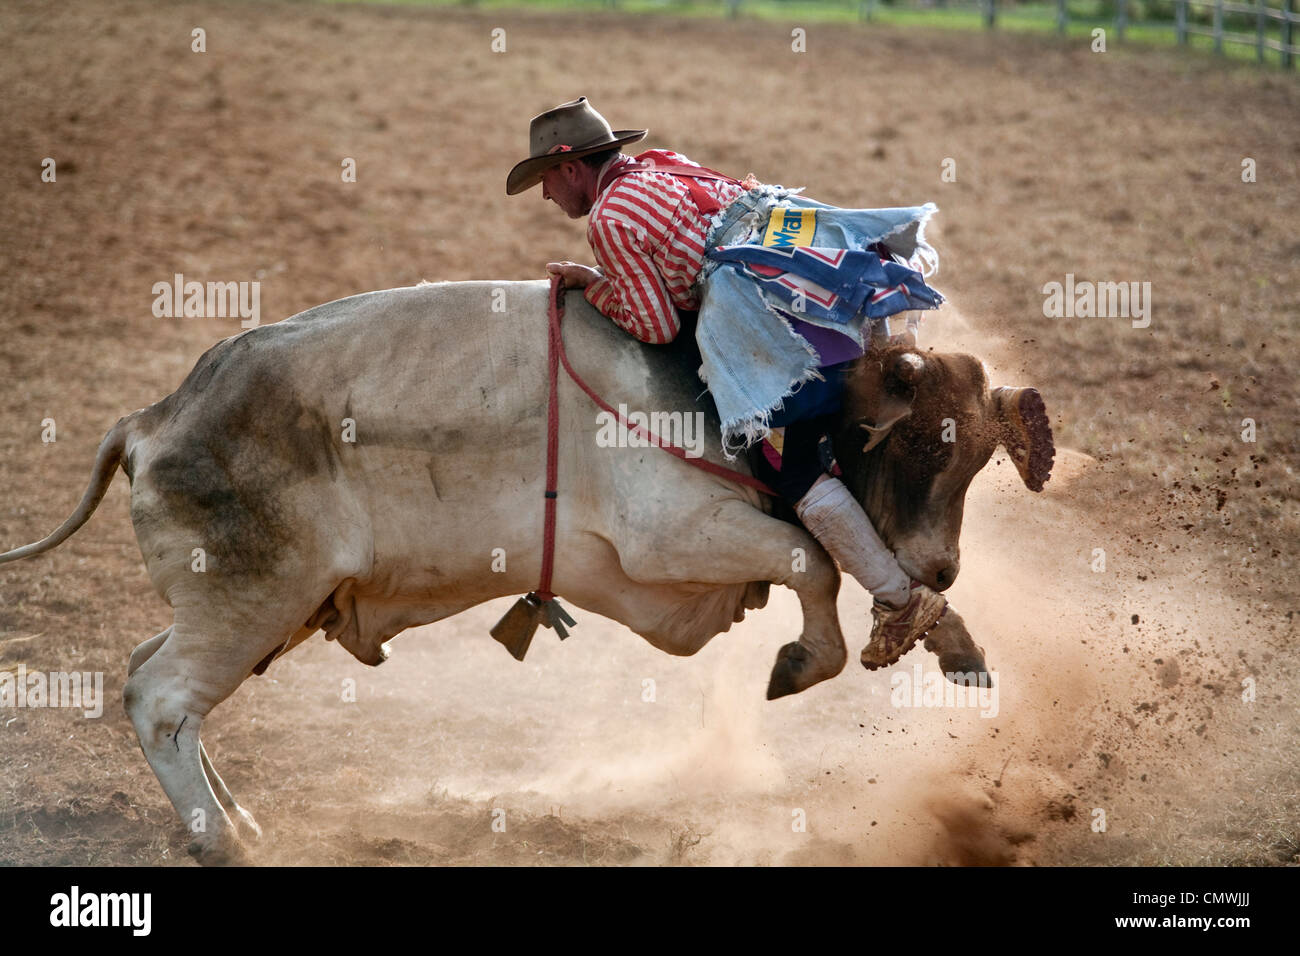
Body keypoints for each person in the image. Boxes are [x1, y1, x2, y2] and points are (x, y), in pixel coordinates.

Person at [506, 97, 948, 668]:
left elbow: (657, 325)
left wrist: (595, 286)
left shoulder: (611, 219)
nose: (545, 194)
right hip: (818, 281)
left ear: (570, 167)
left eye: (545, 179)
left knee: (788, 468)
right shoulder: (663, 163)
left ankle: (898, 600)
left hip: (772, 323)